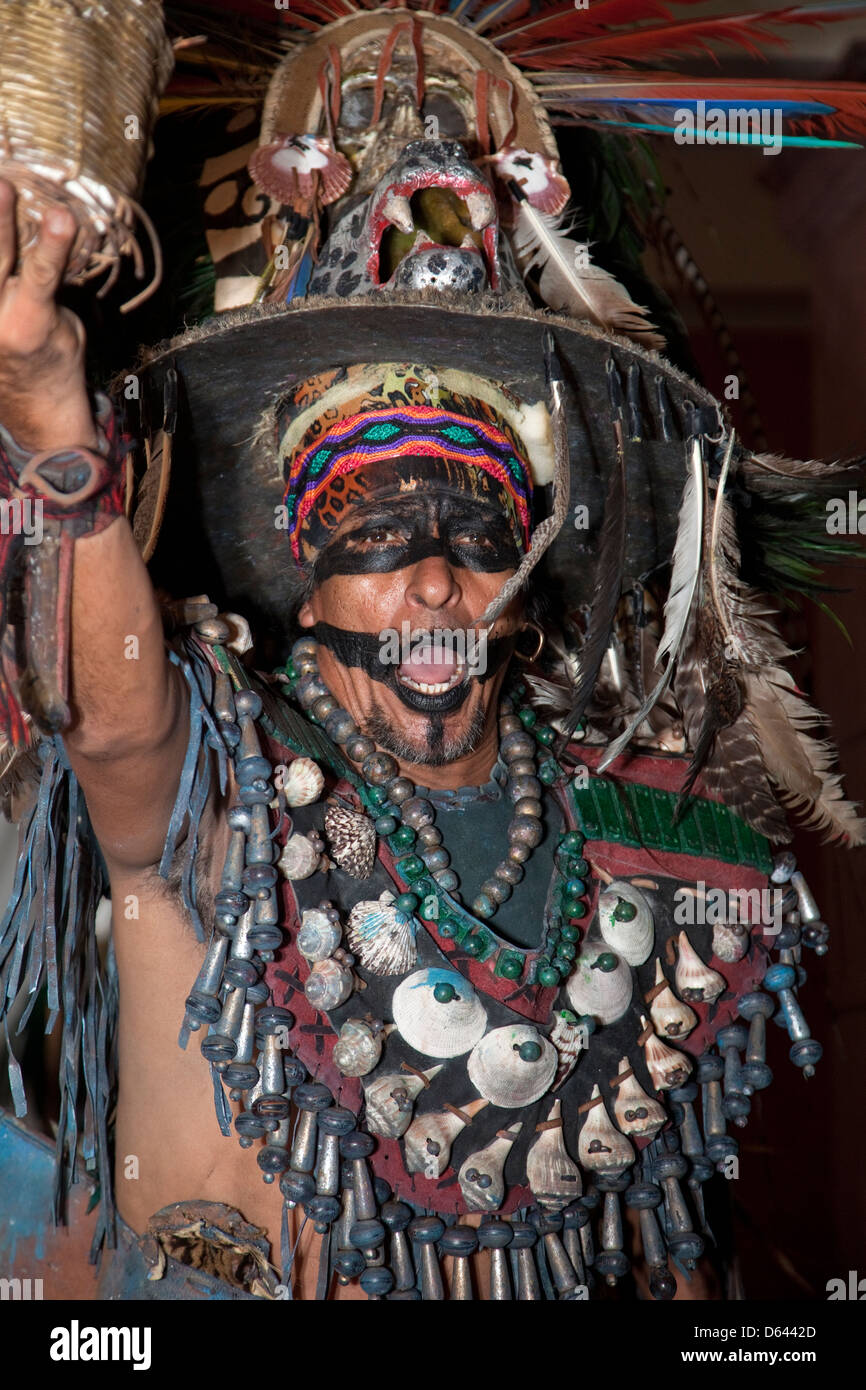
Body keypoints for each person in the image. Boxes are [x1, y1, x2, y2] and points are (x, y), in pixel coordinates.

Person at [0, 3, 864, 1304]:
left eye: (473, 527)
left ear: (523, 589)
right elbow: (115, 728)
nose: (430, 575)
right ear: (302, 567)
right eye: (373, 522)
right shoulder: (226, 793)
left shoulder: (644, 852)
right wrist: (54, 404)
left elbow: (668, 1260)